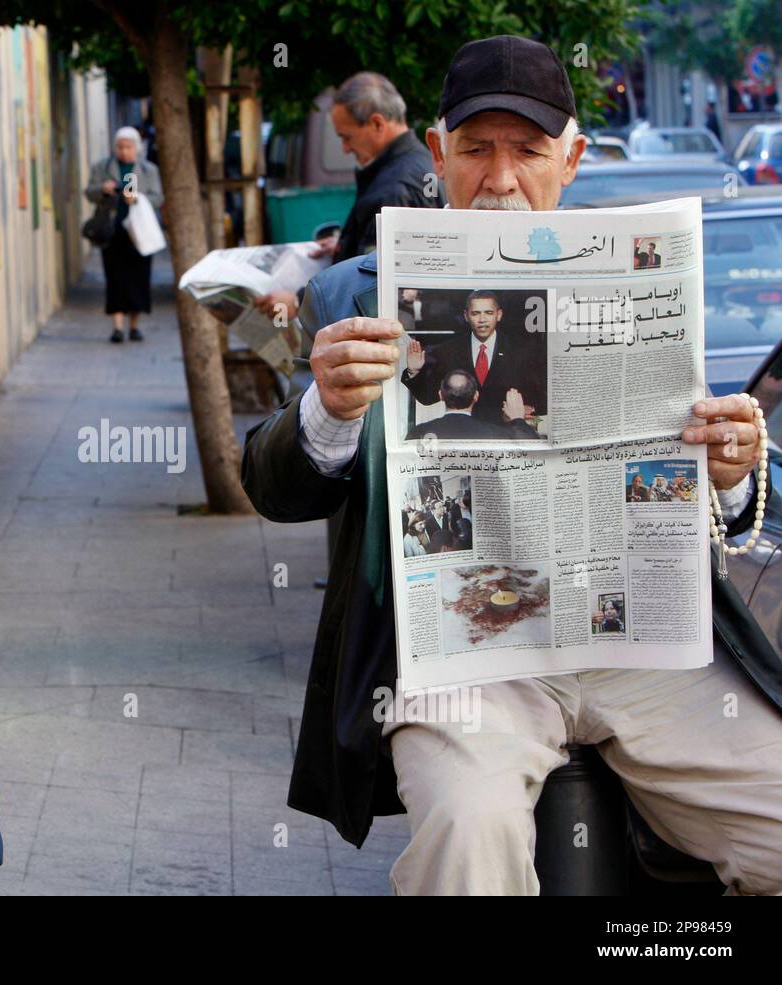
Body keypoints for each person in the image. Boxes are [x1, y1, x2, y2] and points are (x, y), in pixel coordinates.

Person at [242, 35, 782, 895]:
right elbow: (272, 484)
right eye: (478, 149)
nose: (500, 179)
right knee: (467, 835)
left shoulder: (639, 278)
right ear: (437, 149)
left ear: (569, 159)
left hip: (645, 650)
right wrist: (327, 410)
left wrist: (736, 465)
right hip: (466, 654)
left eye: (527, 152)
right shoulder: (353, 295)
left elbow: (734, 487)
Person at [254, 72, 444, 323]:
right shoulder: (413, 163)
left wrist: (298, 300)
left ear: (377, 123)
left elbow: (373, 282)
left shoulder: (394, 188)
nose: (345, 148)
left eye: (346, 137)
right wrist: (346, 245)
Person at [402, 290, 541, 426]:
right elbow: (428, 398)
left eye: (489, 313)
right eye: (475, 313)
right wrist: (413, 372)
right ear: (466, 316)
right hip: (464, 435)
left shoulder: (521, 351)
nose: (482, 320)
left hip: (507, 435)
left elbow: (542, 395)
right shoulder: (448, 351)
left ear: (499, 315)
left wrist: (532, 408)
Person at [84, 127, 164, 343]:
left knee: (138, 278)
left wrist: (136, 198)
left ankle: (135, 325)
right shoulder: (103, 167)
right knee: (115, 277)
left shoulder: (148, 170)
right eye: (120, 147)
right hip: (113, 230)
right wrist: (104, 188)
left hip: (139, 232)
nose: (124, 151)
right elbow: (89, 192)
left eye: (128, 147)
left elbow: (158, 198)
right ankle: (117, 326)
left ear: (136, 148)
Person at [405, 367, 540, 440]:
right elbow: (533, 450)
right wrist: (517, 419)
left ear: (441, 395)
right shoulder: (496, 434)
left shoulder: (419, 433)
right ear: (476, 396)